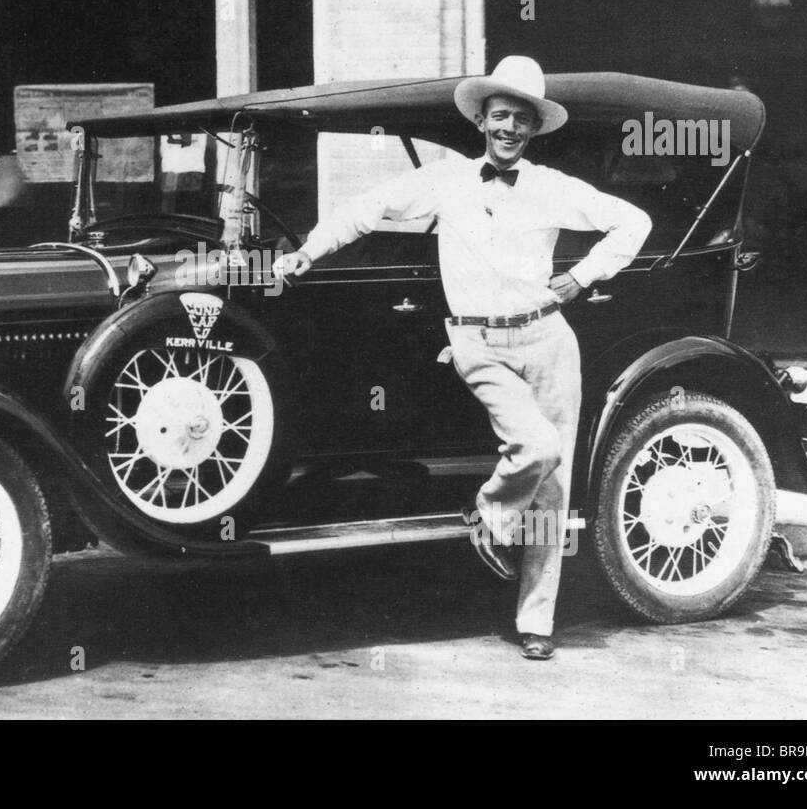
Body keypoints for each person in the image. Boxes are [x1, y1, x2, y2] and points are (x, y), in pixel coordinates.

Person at [271, 56, 651, 660]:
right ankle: (491, 517)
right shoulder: (445, 182)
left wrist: (580, 277)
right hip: (477, 343)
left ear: (533, 129)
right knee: (537, 447)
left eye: (521, 120)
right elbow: (364, 209)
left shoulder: (552, 186)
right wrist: (305, 254)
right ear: (482, 120)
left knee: (554, 488)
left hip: (549, 338)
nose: (509, 129)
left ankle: (536, 622)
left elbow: (634, 221)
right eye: (500, 116)